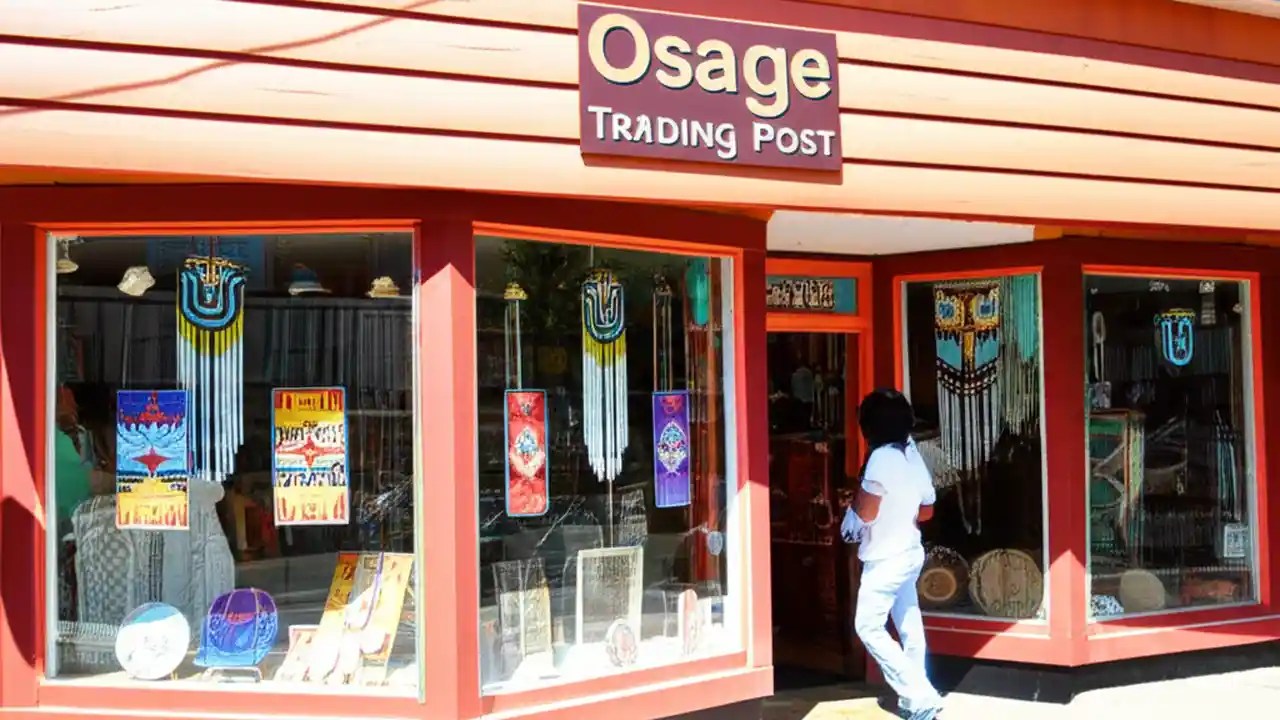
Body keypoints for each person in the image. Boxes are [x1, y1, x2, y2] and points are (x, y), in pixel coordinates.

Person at [842, 388, 942, 720]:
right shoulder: (911, 454)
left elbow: (867, 514)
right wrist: (902, 510)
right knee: (909, 622)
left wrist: (853, 509)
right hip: (909, 551)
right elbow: (927, 510)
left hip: (886, 557)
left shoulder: (881, 458)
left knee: (868, 625)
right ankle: (917, 699)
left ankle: (919, 694)